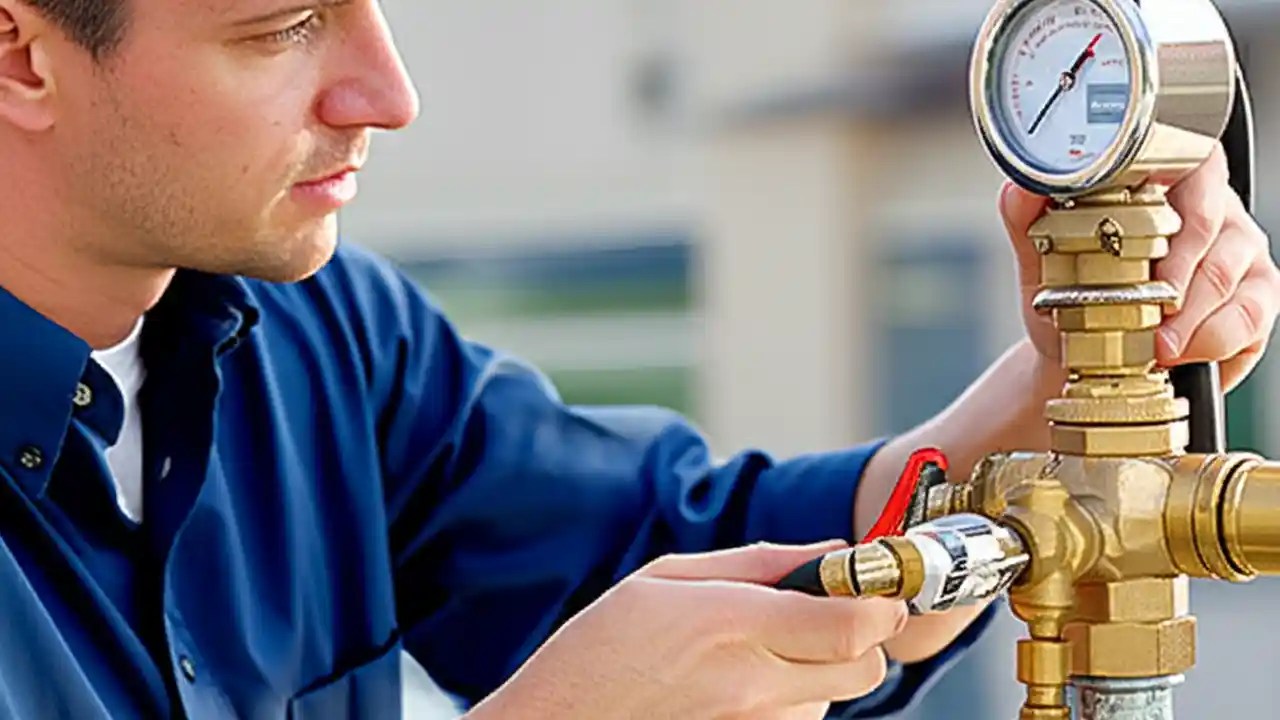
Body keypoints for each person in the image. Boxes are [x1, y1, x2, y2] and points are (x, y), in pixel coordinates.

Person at [0, 0, 1274, 718]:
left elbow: (684, 552)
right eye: (282, 28)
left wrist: (1052, 386)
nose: (386, 94)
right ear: (23, 54)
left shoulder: (323, 337)